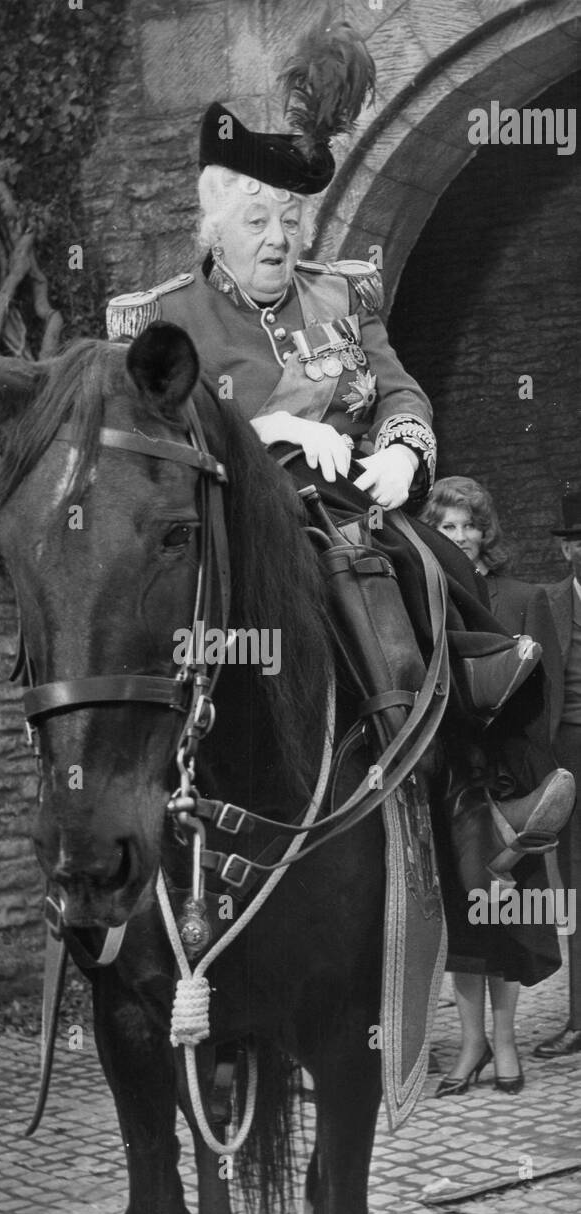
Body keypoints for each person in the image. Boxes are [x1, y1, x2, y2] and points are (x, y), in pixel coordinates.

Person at [105, 20, 574, 970]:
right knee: (360, 571)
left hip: (361, 509)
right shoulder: (168, 320)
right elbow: (161, 434)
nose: (279, 240)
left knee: (433, 560)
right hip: (246, 530)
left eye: (289, 222)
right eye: (257, 223)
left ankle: (485, 790)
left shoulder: (340, 299)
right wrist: (274, 430)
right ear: (214, 229)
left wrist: (404, 447)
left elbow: (398, 387)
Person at [420, 477, 566, 1094]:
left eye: (466, 526)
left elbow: (548, 695)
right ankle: (472, 1044)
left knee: (505, 913)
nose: (457, 538)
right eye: (445, 527)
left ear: (486, 532)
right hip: (450, 780)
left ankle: (505, 1042)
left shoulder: (524, 596)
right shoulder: (422, 597)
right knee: (463, 920)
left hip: (508, 777)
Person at [533, 491, 581, 1058]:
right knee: (573, 889)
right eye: (574, 541)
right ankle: (578, 1019)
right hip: (567, 755)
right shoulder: (547, 602)